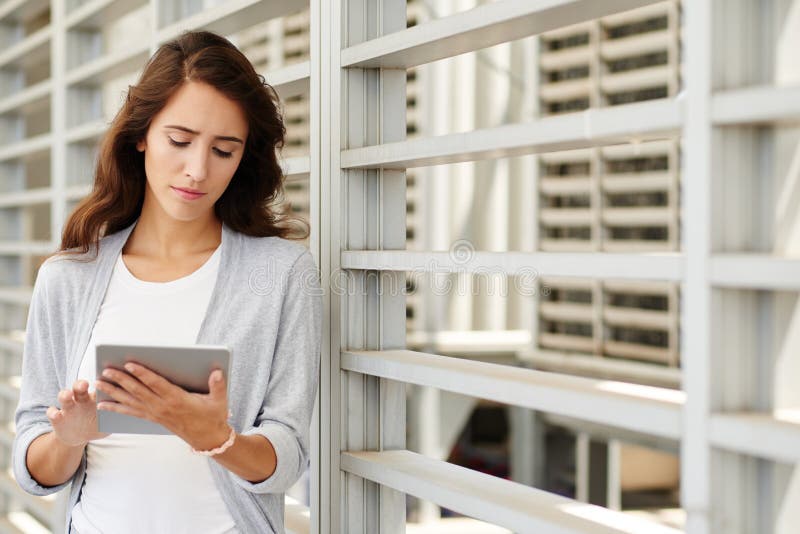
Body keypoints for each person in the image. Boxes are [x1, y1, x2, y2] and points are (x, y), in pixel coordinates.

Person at [11, 30, 322, 534]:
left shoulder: (282, 272)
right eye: (179, 141)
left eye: (224, 150)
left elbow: (288, 458)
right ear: (141, 135)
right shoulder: (68, 278)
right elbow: (31, 469)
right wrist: (70, 438)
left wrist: (216, 438)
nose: (197, 170)